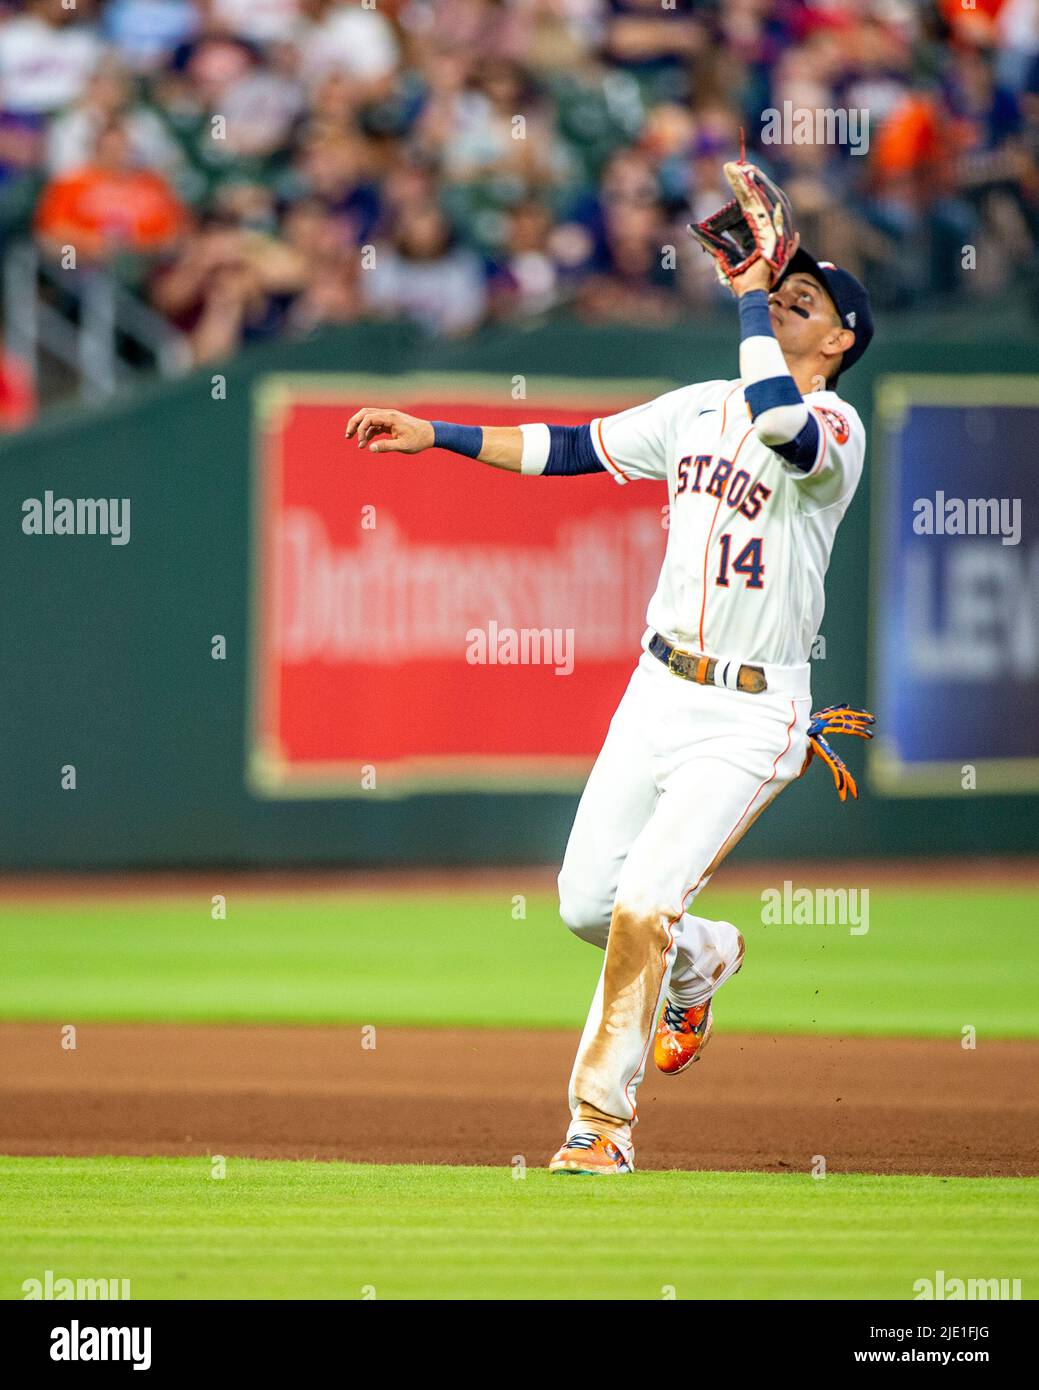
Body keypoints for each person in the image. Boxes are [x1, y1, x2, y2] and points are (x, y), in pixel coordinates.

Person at [346, 179, 875, 1176]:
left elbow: (780, 428)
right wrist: (438, 435)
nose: (782, 296)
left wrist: (740, 297)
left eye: (805, 299)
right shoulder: (694, 409)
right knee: (587, 901)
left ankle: (599, 1124)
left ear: (841, 341)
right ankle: (705, 957)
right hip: (659, 685)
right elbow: (568, 448)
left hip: (752, 712)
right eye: (779, 289)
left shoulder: (836, 432)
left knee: (642, 901)